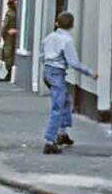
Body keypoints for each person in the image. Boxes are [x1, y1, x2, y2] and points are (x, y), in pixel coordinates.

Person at [40, 12, 97, 154]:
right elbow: (73, 63)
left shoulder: (49, 37)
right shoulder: (67, 40)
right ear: (72, 26)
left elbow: (42, 55)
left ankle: (62, 133)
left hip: (47, 71)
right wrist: (90, 73)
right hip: (57, 73)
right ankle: (50, 141)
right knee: (58, 106)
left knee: (65, 101)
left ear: (57, 23)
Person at [0, 0, 19, 82]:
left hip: (11, 37)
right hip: (10, 37)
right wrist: (5, 34)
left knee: (9, 54)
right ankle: (9, 73)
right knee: (8, 54)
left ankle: (9, 73)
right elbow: (5, 26)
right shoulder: (11, 13)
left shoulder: (13, 13)